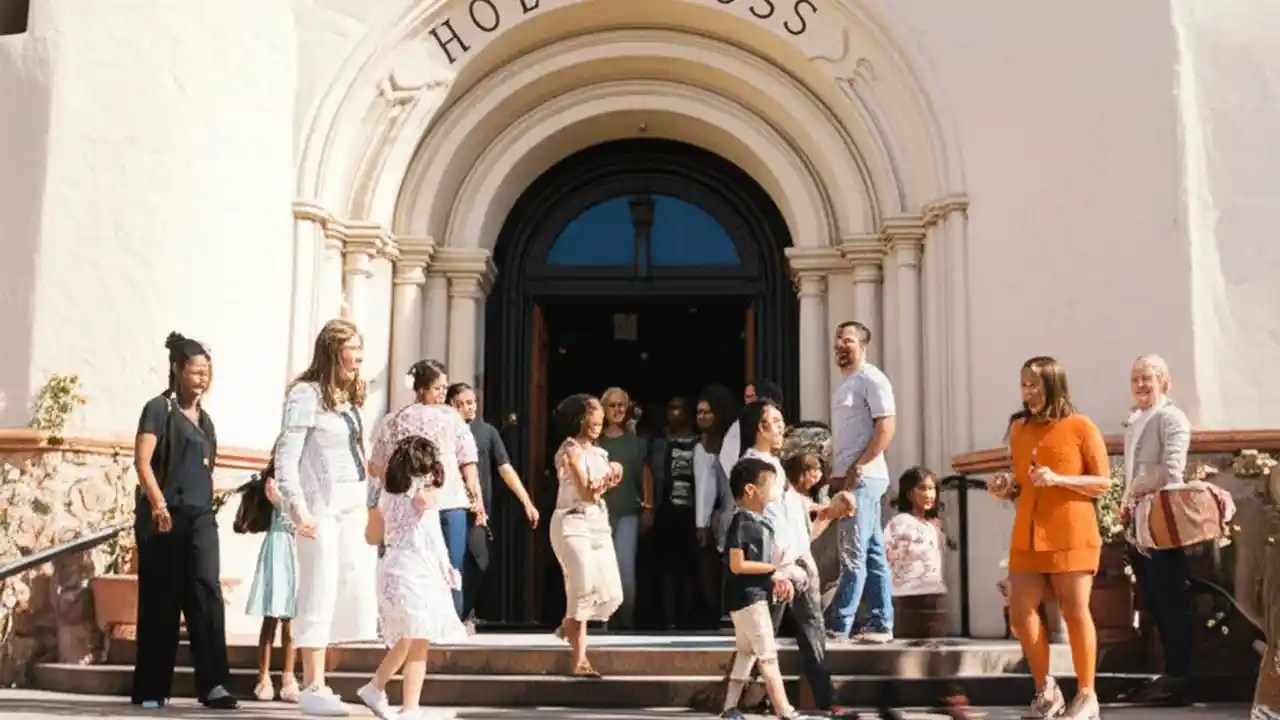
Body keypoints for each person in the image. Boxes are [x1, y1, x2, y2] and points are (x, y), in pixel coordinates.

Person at [987, 356, 1111, 720]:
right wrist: (1005, 487)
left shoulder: (1081, 426)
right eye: (1023, 385)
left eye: (1033, 385)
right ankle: (1047, 689)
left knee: (1075, 612)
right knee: (1020, 613)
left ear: (1053, 385)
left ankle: (1087, 695)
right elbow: (1023, 480)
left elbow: (1103, 483)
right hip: (1027, 532)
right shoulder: (1020, 429)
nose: (1027, 393)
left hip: (1071, 531)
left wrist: (1060, 480)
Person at [274, 318, 378, 716]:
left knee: (345, 588)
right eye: (354, 348)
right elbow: (287, 455)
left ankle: (322, 680)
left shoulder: (347, 398)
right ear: (334, 350)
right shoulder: (306, 394)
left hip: (351, 505)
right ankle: (310, 684)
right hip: (320, 505)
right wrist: (297, 509)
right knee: (317, 587)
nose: (360, 357)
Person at [131, 332, 237, 710]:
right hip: (165, 515)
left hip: (200, 517)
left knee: (206, 595)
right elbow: (143, 462)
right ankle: (151, 688)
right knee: (162, 599)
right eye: (195, 371)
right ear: (177, 370)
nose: (202, 379)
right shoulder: (158, 409)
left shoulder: (205, 421)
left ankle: (214, 686)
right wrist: (158, 506)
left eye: (207, 372)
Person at [737, 401, 841, 714]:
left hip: (798, 563)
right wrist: (777, 570)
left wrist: (821, 516)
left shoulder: (777, 465)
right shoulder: (752, 466)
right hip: (777, 567)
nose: (783, 427)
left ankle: (827, 700)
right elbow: (759, 521)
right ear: (760, 427)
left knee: (813, 631)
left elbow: (790, 515)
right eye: (776, 421)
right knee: (762, 638)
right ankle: (749, 698)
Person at [357, 435, 467, 720]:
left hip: (393, 566)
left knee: (411, 637)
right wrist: (446, 567)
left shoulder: (387, 495)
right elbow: (432, 533)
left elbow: (375, 535)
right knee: (418, 639)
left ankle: (386, 692)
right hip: (414, 570)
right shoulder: (423, 494)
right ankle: (398, 700)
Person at [369, 360, 485, 619]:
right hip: (434, 500)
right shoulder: (445, 417)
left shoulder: (394, 420)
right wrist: (476, 496)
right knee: (445, 565)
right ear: (421, 388)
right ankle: (446, 626)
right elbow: (467, 460)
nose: (443, 393)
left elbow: (377, 464)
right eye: (437, 388)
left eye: (445, 387)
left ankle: (420, 624)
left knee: (428, 564)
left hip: (424, 499)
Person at [719, 456, 821, 720]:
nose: (774, 493)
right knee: (767, 655)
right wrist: (771, 571)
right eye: (769, 486)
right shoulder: (742, 522)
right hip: (748, 599)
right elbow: (737, 564)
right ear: (750, 490)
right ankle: (784, 710)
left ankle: (729, 707)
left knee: (746, 653)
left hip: (753, 597)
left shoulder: (760, 522)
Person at [1117, 354, 1194, 706]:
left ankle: (1178, 679)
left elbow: (1173, 472)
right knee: (1153, 604)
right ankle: (1163, 677)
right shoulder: (1136, 420)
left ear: (1164, 380)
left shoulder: (1171, 417)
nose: (1140, 384)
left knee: (1171, 601)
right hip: (1139, 527)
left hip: (1161, 525)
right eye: (1135, 378)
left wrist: (1145, 484)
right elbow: (1134, 472)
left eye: (1147, 377)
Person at [826, 320, 897, 644]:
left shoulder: (871, 378)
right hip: (851, 478)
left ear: (863, 345)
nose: (842, 345)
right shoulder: (845, 384)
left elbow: (886, 427)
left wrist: (858, 466)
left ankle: (838, 625)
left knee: (853, 554)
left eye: (849, 340)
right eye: (839, 339)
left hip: (865, 479)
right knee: (871, 553)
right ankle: (881, 623)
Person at [446, 382, 539, 622]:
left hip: (479, 511)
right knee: (452, 562)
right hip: (451, 506)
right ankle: (451, 616)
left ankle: (464, 613)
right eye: (462, 404)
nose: (468, 408)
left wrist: (526, 501)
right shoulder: (445, 430)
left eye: (471, 402)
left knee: (479, 560)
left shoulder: (487, 432)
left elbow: (505, 467)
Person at [549, 394, 625, 677]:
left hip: (598, 523)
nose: (596, 422)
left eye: (598, 419)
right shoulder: (570, 450)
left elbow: (605, 481)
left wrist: (616, 469)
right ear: (579, 418)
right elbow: (584, 492)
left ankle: (569, 623)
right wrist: (607, 479)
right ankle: (580, 661)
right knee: (582, 587)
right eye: (591, 417)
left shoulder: (600, 452)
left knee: (612, 595)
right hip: (572, 522)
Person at [598, 386, 654, 629]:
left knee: (625, 571)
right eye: (612, 405)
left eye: (622, 405)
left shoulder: (637, 443)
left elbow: (646, 475)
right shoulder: (595, 441)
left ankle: (626, 623)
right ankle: (603, 623)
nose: (617, 410)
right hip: (598, 514)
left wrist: (649, 507)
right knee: (600, 570)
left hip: (628, 512)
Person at [245, 458, 300, 703]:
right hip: (278, 547)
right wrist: (279, 502)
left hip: (295, 548)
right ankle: (264, 676)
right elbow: (287, 520)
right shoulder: (273, 483)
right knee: (271, 615)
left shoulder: (301, 481)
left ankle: (288, 676)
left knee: (291, 619)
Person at [650, 394, 702, 628]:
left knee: (690, 567)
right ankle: (669, 618)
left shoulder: (700, 442)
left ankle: (688, 617)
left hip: (692, 511)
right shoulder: (658, 442)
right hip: (665, 509)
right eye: (670, 408)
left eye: (679, 408)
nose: (674, 413)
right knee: (666, 568)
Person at [883, 467, 948, 638]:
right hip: (908, 596)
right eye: (923, 488)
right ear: (909, 493)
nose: (929, 494)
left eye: (932, 488)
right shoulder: (901, 522)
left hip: (933, 593)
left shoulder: (932, 526)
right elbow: (888, 556)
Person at [717, 380, 782, 476]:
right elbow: (729, 461)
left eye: (753, 396)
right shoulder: (738, 426)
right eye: (748, 397)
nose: (751, 401)